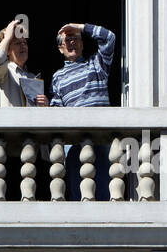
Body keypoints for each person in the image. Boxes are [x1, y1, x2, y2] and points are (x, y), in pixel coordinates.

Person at [47, 22, 116, 199]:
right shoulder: (57, 77)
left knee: (106, 194)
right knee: (80, 196)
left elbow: (109, 38)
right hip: (75, 144)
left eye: (75, 38)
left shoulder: (96, 64)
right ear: (60, 48)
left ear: (82, 43)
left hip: (102, 139)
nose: (71, 43)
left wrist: (80, 27)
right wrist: (44, 107)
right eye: (67, 40)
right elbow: (56, 112)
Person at [0, 17, 48, 107]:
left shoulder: (32, 77)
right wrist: (7, 38)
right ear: (7, 50)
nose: (23, 46)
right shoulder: (4, 72)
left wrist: (44, 104)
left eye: (25, 42)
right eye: (18, 43)